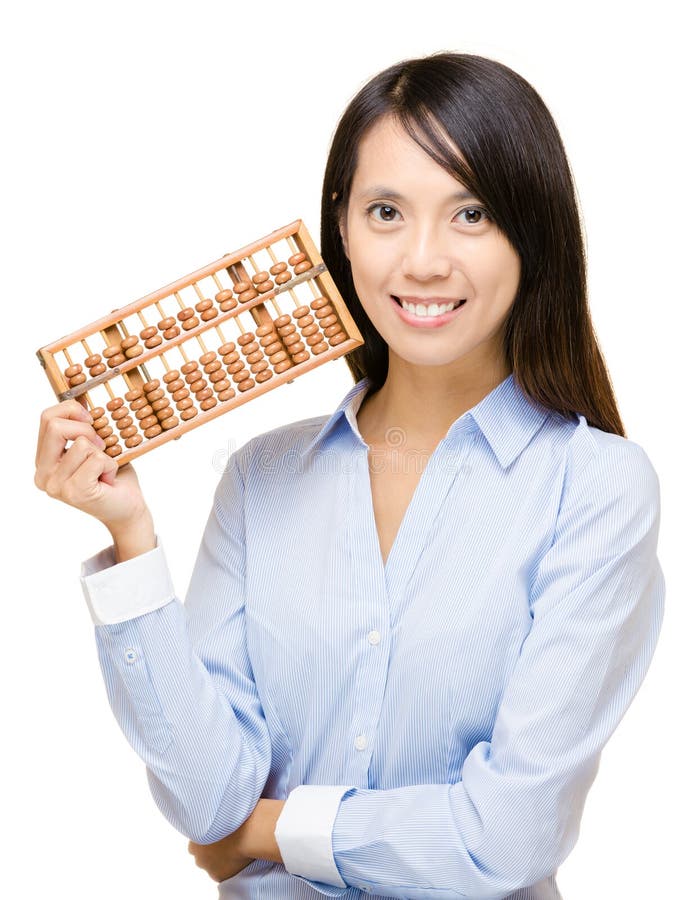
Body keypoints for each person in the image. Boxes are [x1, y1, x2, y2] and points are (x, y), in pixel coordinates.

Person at [34, 52, 665, 899]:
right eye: (386, 212)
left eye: (472, 213)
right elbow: (207, 798)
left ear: (533, 229)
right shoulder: (260, 479)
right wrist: (130, 540)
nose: (424, 261)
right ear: (342, 227)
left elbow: (505, 838)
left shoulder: (597, 488)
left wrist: (268, 831)